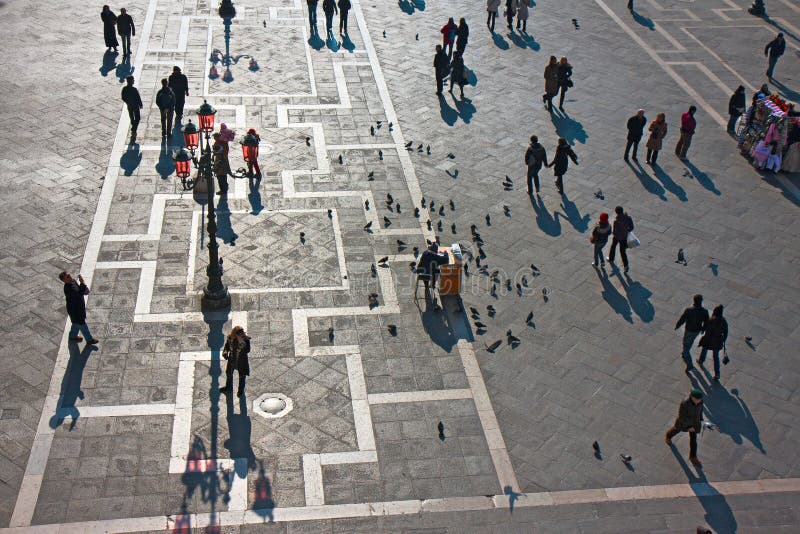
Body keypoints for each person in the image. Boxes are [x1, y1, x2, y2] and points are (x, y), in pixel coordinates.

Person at [665, 389, 704, 466]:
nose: (699, 401)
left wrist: (701, 419)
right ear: (692, 397)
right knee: (676, 430)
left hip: (694, 423)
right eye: (697, 399)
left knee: (693, 440)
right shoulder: (685, 403)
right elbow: (682, 417)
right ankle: (668, 436)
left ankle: (693, 457)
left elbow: (700, 410)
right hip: (683, 423)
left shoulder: (700, 401)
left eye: (700, 399)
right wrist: (689, 427)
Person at [59, 271, 99, 345]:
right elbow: (79, 293)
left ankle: (72, 336)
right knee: (82, 323)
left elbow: (80, 290)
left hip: (78, 307)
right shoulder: (69, 289)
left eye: (69, 275)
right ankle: (89, 339)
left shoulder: (73, 281)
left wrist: (82, 284)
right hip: (75, 310)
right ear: (64, 280)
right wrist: (82, 282)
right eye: (67, 277)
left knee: (75, 323)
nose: (70, 277)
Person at [675, 294, 709, 374]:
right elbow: (706, 322)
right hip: (696, 331)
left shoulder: (689, 310)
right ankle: (685, 353)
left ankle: (689, 364)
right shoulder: (704, 311)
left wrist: (677, 325)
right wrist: (703, 329)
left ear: (694, 300)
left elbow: (682, 319)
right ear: (701, 301)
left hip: (689, 330)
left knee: (685, 346)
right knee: (690, 342)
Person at [698, 305, 728, 381]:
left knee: (704, 349)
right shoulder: (724, 321)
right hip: (718, 341)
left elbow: (707, 329)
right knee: (716, 357)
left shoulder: (711, 319)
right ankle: (717, 374)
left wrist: (704, 336)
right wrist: (723, 340)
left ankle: (701, 361)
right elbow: (726, 332)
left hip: (709, 339)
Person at [220, 326, 251, 397]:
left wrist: (241, 342)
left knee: (242, 376)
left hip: (242, 362)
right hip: (232, 360)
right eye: (239, 335)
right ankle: (228, 387)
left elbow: (247, 350)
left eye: (242, 334)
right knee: (228, 373)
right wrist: (225, 352)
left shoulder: (245, 340)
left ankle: (240, 391)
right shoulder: (230, 338)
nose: (241, 336)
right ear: (235, 334)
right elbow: (227, 346)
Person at [607, 206, 633, 273]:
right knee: (622, 252)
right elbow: (631, 227)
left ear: (616, 212)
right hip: (624, 238)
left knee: (613, 246)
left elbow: (615, 232)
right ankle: (626, 266)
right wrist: (626, 231)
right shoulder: (628, 218)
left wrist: (615, 235)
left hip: (617, 237)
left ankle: (611, 258)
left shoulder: (616, 221)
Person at [121, 76, 143, 142]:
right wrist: (140, 104)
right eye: (133, 80)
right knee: (138, 118)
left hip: (129, 106)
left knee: (132, 119)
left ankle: (133, 132)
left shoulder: (124, 89)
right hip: (135, 106)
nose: (134, 81)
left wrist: (127, 102)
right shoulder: (134, 89)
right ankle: (133, 130)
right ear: (131, 81)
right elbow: (138, 97)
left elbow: (123, 97)